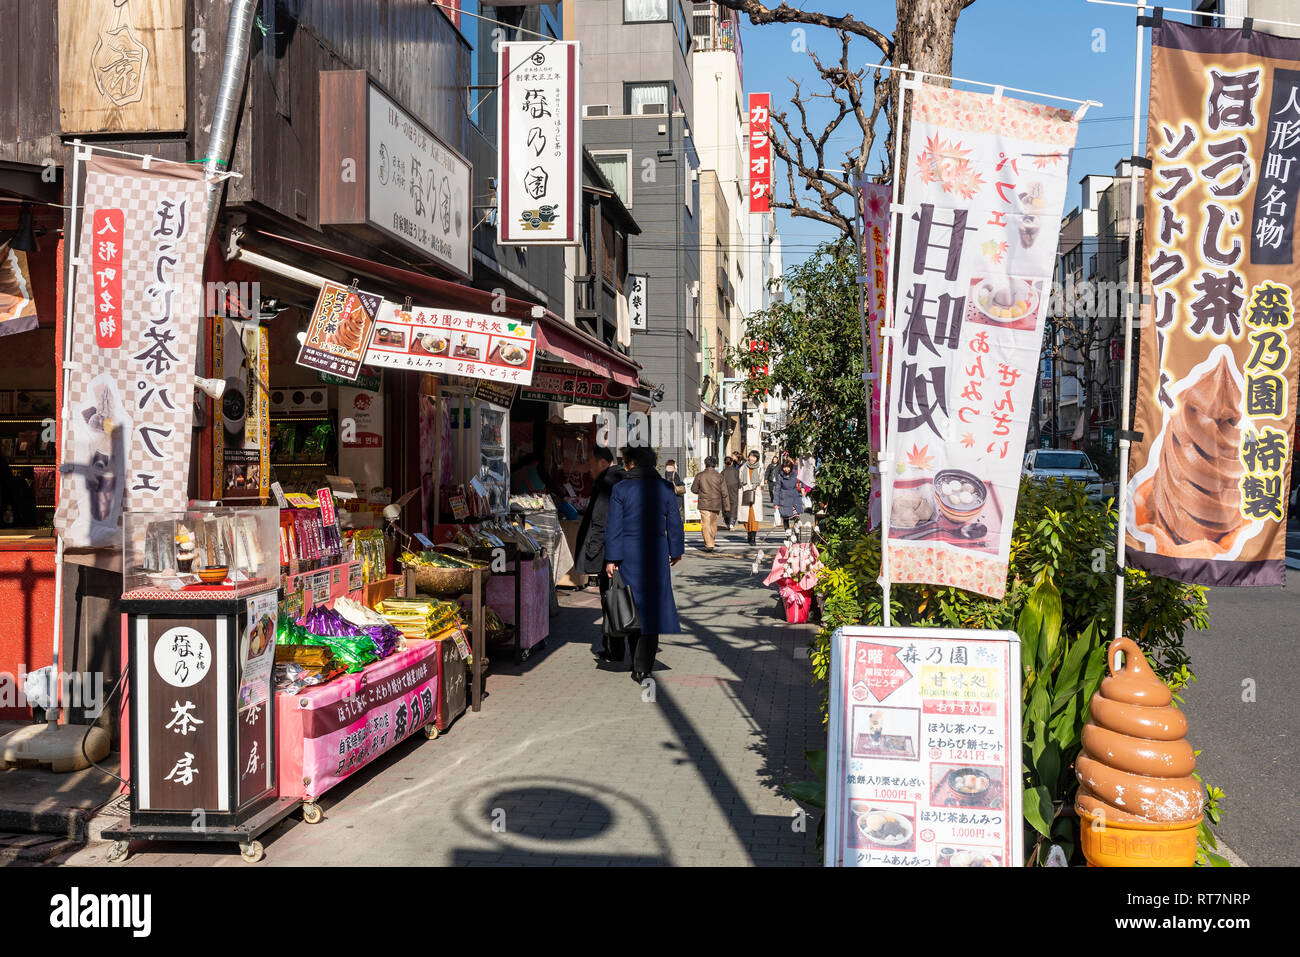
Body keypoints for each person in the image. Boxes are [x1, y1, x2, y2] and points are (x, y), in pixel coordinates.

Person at [604, 445, 685, 682]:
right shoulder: (664, 487)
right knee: (653, 608)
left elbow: (614, 526)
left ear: (632, 463)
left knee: (631, 604)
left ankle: (635, 659)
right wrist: (676, 549)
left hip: (628, 553)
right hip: (657, 552)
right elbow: (675, 521)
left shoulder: (621, 488)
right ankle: (643, 666)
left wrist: (611, 558)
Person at [575, 446, 626, 660]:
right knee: (620, 597)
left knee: (610, 598)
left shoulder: (607, 482)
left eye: (590, 462)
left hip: (608, 552)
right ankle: (619, 646)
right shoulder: (624, 479)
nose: (589, 468)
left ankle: (615, 649)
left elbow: (600, 520)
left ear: (603, 463)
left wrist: (592, 552)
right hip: (624, 549)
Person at [690, 455, 726, 551]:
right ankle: (711, 540)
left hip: (704, 502)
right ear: (715, 465)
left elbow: (693, 489)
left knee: (705, 523)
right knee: (713, 523)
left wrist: (701, 492)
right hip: (716, 502)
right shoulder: (719, 476)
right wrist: (727, 507)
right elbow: (724, 492)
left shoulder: (700, 475)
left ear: (705, 464)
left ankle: (709, 543)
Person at [737, 449, 765, 545]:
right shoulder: (743, 467)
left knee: (754, 517)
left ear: (757, 458)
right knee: (746, 517)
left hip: (755, 494)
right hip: (745, 493)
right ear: (748, 456)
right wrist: (747, 487)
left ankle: (753, 537)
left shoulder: (760, 467)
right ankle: (749, 533)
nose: (752, 459)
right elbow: (740, 479)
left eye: (754, 457)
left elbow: (759, 479)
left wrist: (751, 487)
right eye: (751, 456)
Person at [773, 457, 802, 529]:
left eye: (788, 467)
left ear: (791, 467)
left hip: (794, 498)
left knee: (796, 517)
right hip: (784, 500)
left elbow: (802, 480)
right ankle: (788, 535)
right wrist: (776, 503)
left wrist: (803, 488)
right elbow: (777, 490)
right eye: (785, 467)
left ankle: (796, 534)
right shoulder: (780, 477)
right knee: (785, 519)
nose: (786, 469)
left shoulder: (795, 475)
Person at [722, 454, 741, 529]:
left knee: (725, 505)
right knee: (734, 505)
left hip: (725, 490)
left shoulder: (723, 472)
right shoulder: (736, 471)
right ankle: (732, 521)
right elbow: (739, 482)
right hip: (734, 489)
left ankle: (727, 521)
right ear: (732, 462)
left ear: (724, 463)